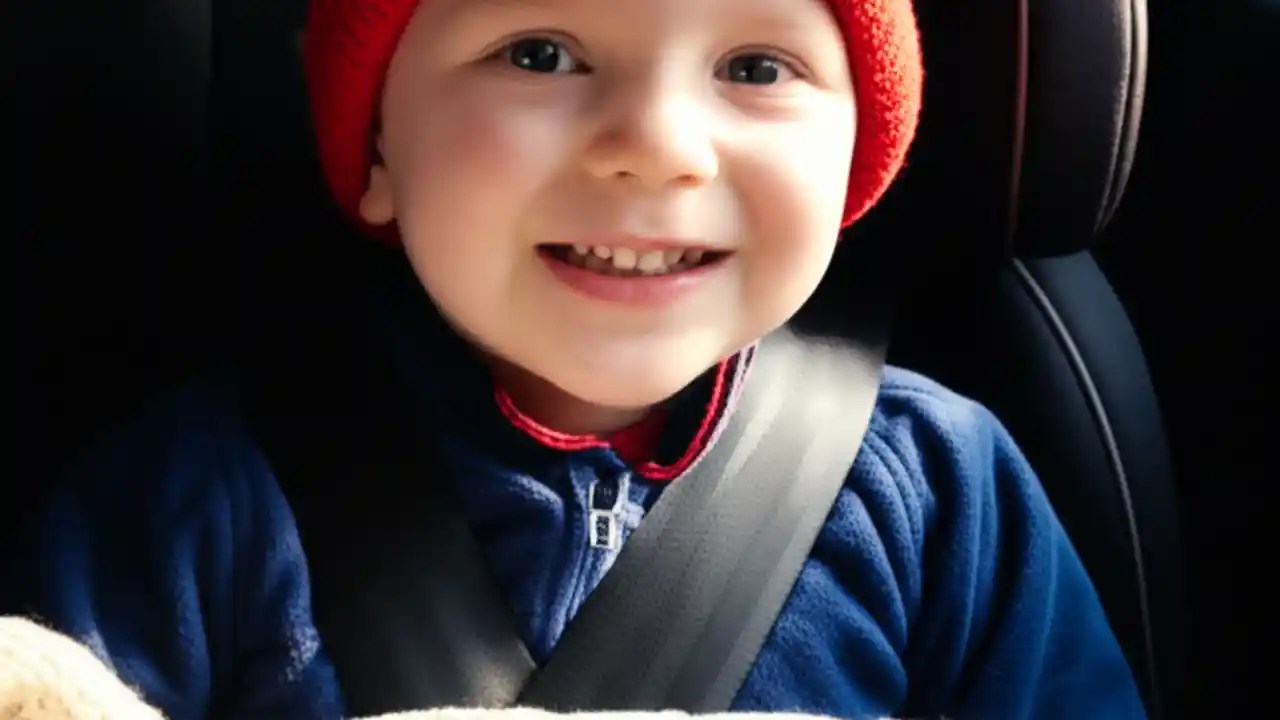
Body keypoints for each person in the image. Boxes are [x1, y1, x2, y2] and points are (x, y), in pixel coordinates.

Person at [1, 0, 1148, 718]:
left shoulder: (940, 488)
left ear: (857, 161)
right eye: (539, 52)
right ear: (380, 150)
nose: (656, 146)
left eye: (754, 67)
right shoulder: (198, 495)